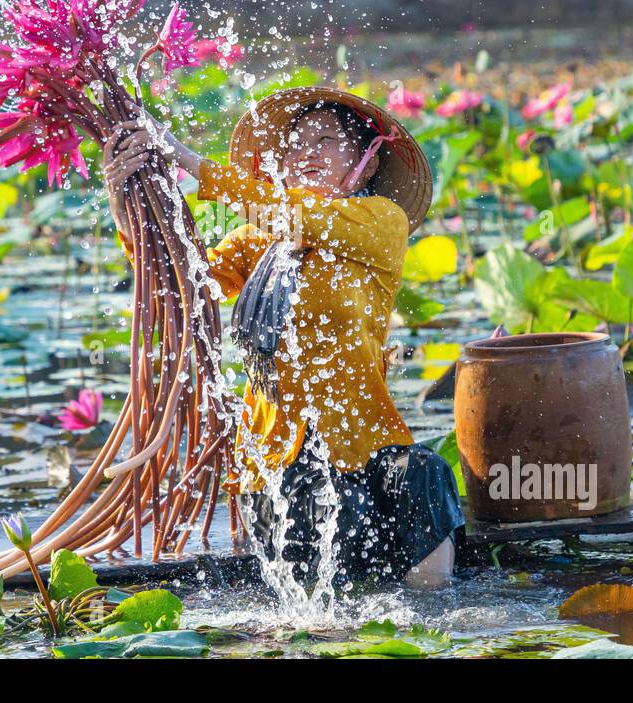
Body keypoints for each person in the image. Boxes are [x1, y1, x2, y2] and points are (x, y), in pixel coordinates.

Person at [104, 86, 463, 589]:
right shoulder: (259, 240)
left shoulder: (381, 222)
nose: (308, 151)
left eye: (327, 139)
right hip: (279, 460)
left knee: (424, 473)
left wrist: (186, 159)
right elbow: (182, 283)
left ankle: (433, 610)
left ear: (365, 159)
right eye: (296, 143)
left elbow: (300, 217)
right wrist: (127, 203)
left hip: (362, 449)